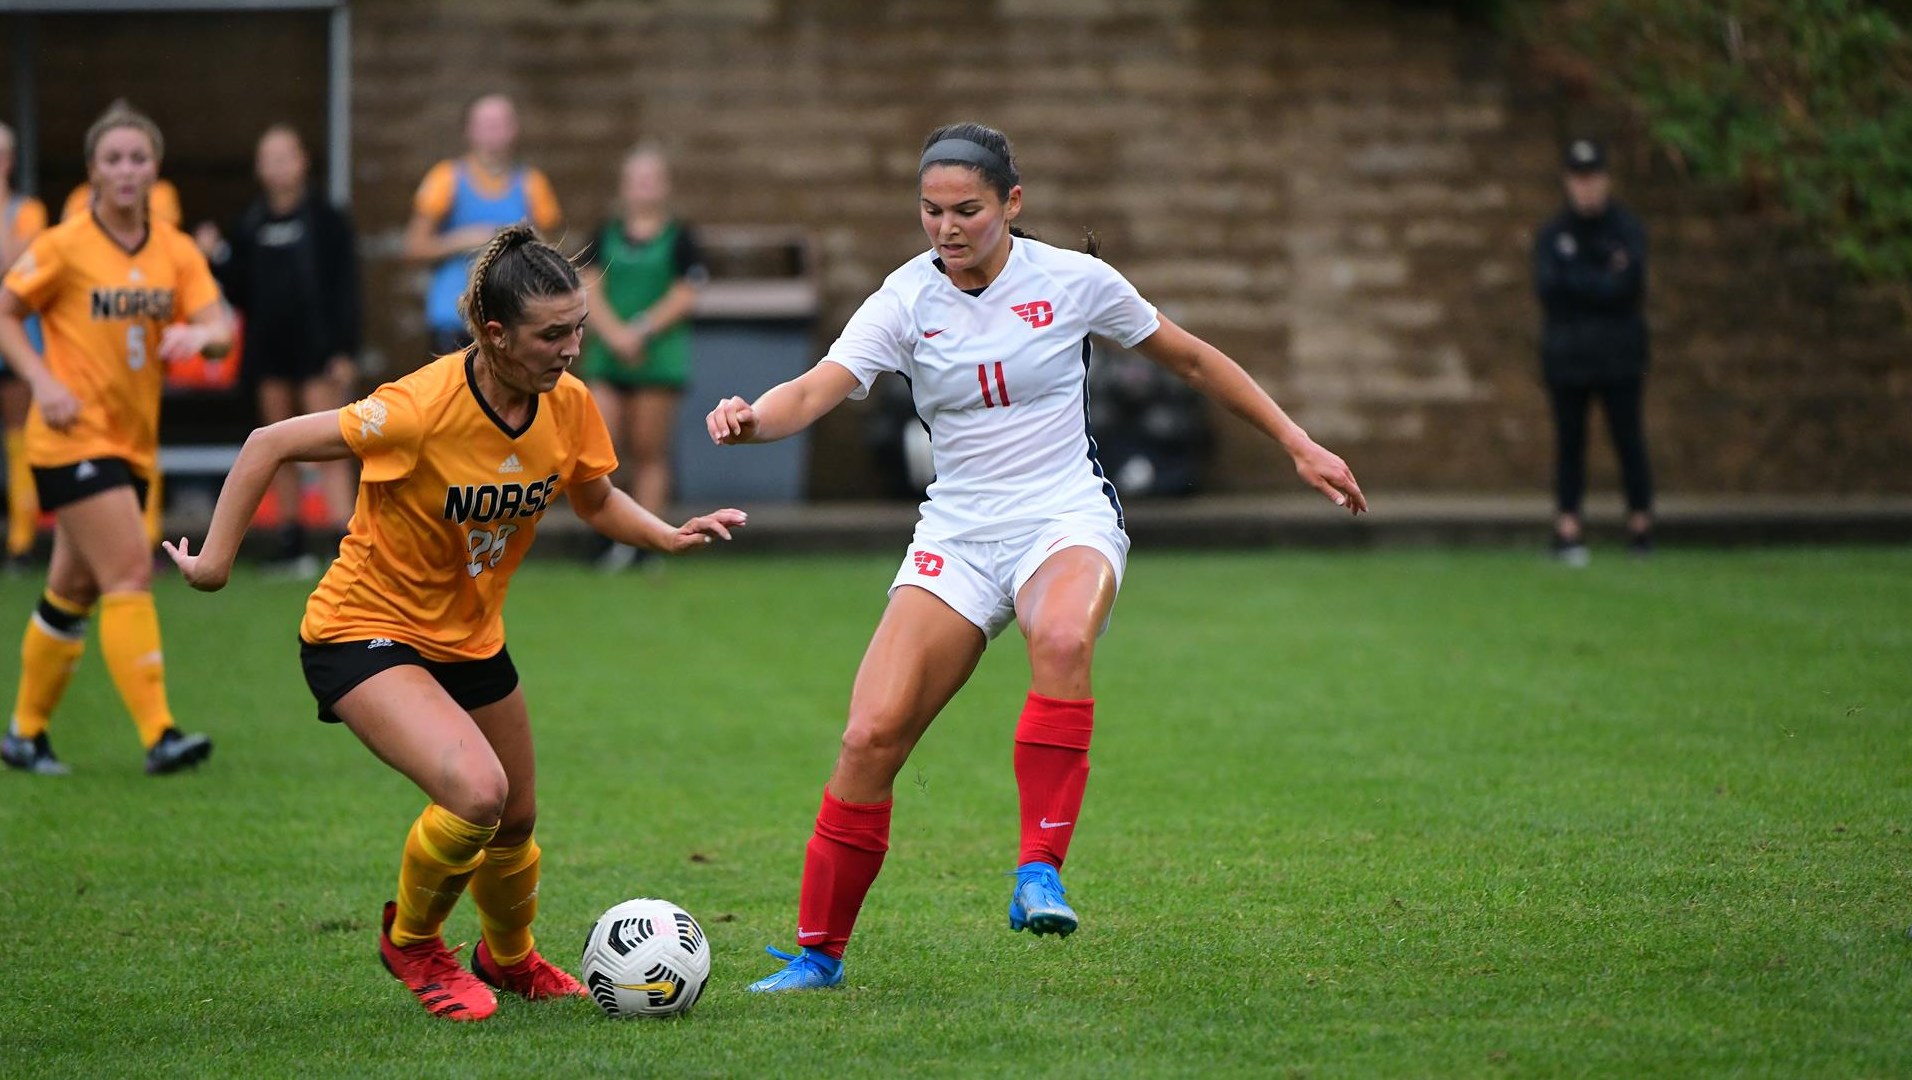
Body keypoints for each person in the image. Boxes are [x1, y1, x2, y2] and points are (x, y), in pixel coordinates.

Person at [705, 123, 1367, 992]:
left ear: (1011, 204)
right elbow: (817, 388)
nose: (946, 228)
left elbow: (1194, 361)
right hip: (957, 535)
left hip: (1063, 516)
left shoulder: (1073, 281)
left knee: (1059, 639)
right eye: (931, 211)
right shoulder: (904, 300)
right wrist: (754, 416)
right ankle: (819, 955)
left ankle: (1038, 870)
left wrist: (1296, 442)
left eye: (967, 210)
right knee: (869, 736)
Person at [162, 225, 746, 1021]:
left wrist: (666, 532)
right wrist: (216, 564)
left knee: (517, 817)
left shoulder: (565, 403)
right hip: (362, 631)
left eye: (577, 328)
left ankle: (508, 958)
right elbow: (269, 442)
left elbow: (597, 496)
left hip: (469, 638)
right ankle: (413, 942)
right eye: (552, 334)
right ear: (495, 334)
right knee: (477, 792)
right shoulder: (415, 408)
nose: (572, 348)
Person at [0, 102, 232, 776]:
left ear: (154, 168)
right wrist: (42, 381)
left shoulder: (174, 249)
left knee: (72, 591)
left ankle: (23, 734)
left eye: (138, 158)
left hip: (131, 444)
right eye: (113, 159)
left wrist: (202, 335)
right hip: (70, 437)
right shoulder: (65, 243)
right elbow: (7, 312)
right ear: (93, 170)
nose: (127, 171)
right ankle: (160, 733)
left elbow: (217, 322)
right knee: (130, 570)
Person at [198, 124, 360, 574]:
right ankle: (291, 543)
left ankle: (344, 542)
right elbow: (236, 290)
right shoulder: (250, 224)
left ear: (303, 160)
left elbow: (347, 289)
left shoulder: (327, 219)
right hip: (268, 351)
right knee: (278, 443)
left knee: (333, 443)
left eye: (286, 156)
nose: (279, 166)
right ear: (258, 168)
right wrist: (214, 256)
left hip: (318, 350)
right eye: (269, 158)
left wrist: (345, 349)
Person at [580, 143, 706, 572]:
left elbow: (686, 293)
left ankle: (649, 544)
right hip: (608, 358)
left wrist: (642, 331)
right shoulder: (603, 232)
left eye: (652, 179)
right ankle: (608, 537)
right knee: (603, 448)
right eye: (637, 179)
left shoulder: (681, 237)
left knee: (650, 450)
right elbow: (589, 285)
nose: (644, 187)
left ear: (665, 186)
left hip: (658, 360)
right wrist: (615, 334)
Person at [1532, 138, 1654, 565]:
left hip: (1620, 355)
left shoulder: (1626, 228)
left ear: (1605, 179)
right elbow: (1550, 289)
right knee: (1570, 444)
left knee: (1628, 439)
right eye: (1579, 179)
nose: (1587, 187)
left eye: (1593, 178)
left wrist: (1580, 282)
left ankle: (1640, 525)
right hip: (1568, 358)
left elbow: (1628, 286)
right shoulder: (1554, 234)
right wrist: (1601, 281)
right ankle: (1568, 527)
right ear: (1569, 182)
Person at [404, 94, 562, 357]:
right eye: (485, 123)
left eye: (501, 122)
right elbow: (413, 248)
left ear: (515, 129)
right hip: (455, 318)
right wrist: (464, 239)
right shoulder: (446, 178)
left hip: (513, 320)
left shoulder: (533, 184)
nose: (493, 131)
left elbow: (552, 253)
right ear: (469, 130)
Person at [1, 121, 49, 571]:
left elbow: (14, 262)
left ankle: (21, 541)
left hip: (15, 340)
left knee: (19, 440)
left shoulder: (28, 210)